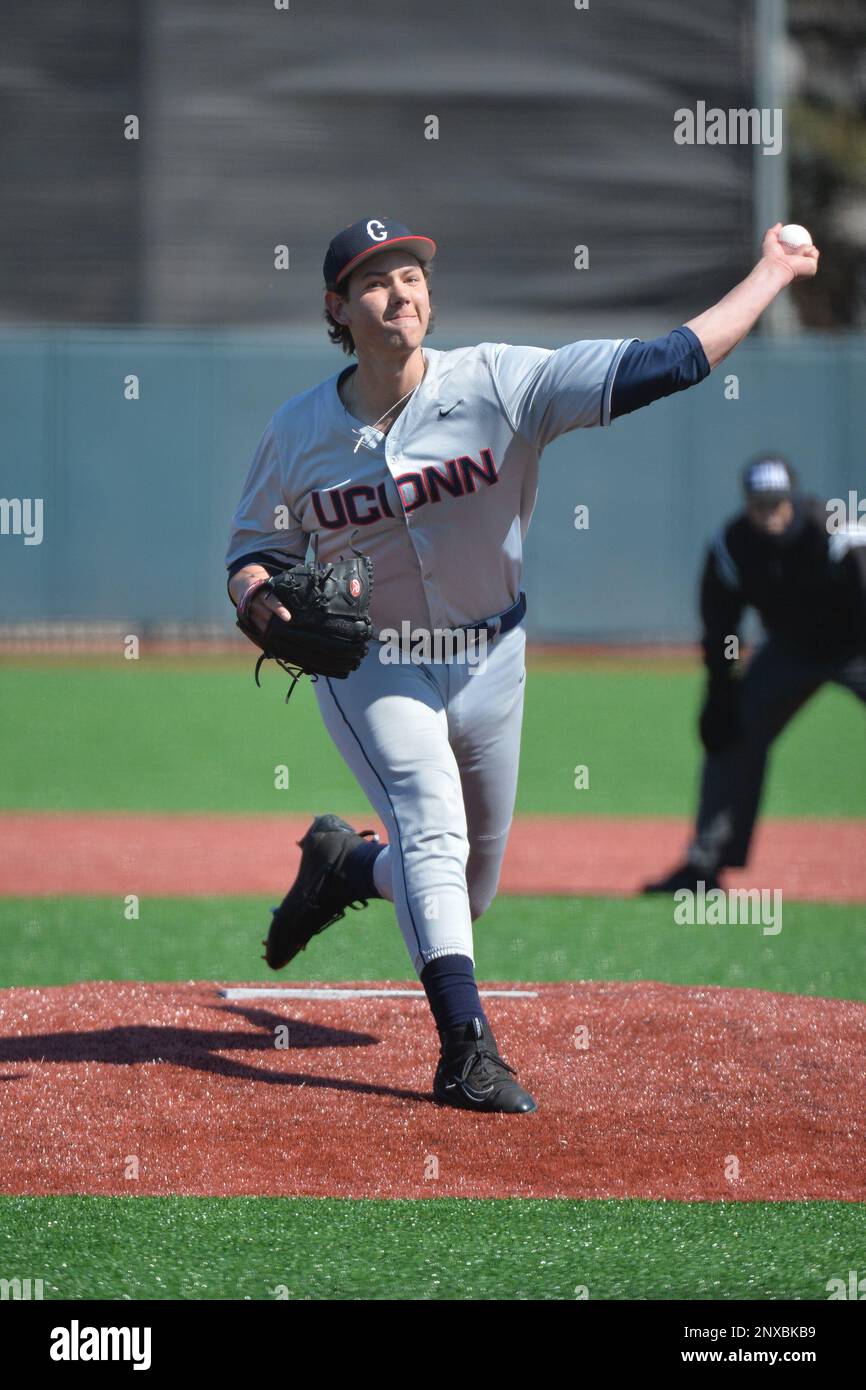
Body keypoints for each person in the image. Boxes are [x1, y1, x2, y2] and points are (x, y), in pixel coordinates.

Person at [226, 216, 819, 1114]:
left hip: (493, 657)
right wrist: (258, 601)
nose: (402, 293)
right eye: (377, 281)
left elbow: (669, 361)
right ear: (337, 308)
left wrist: (772, 271)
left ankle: (345, 868)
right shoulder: (298, 430)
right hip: (374, 665)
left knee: (469, 886)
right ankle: (466, 1051)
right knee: (431, 822)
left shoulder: (499, 382)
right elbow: (252, 550)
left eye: (413, 276)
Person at [645, 456, 865, 894]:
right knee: (733, 731)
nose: (770, 512)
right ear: (747, 504)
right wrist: (720, 690)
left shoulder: (835, 529)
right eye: (760, 504)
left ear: (794, 500)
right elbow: (720, 625)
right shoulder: (733, 545)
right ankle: (704, 866)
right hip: (791, 650)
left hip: (857, 645)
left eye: (778, 502)